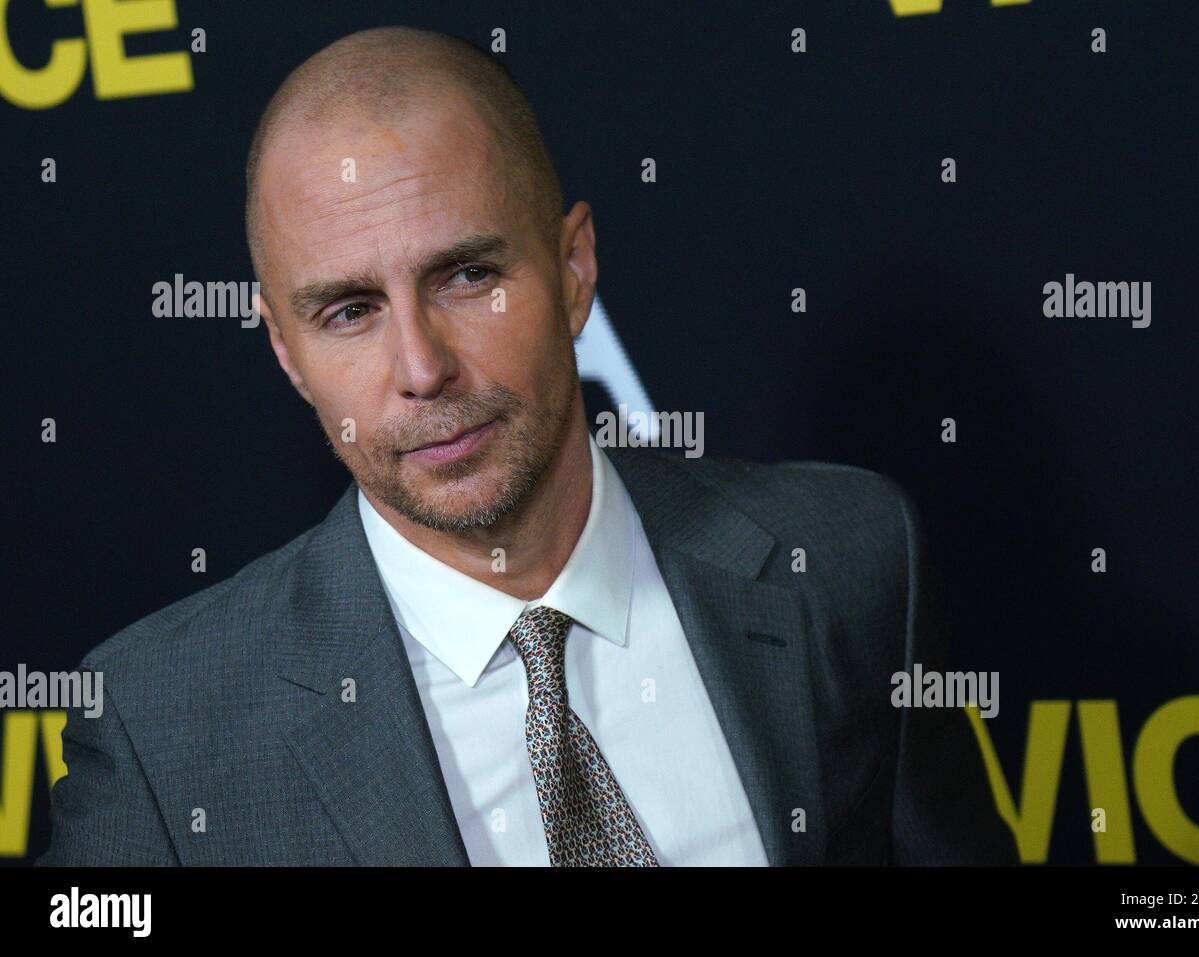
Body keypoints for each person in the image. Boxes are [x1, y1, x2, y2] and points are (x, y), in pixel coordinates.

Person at [38, 26, 1015, 867]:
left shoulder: (847, 560)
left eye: (466, 275)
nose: (421, 367)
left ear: (573, 265)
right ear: (288, 353)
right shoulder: (160, 733)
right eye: (348, 311)